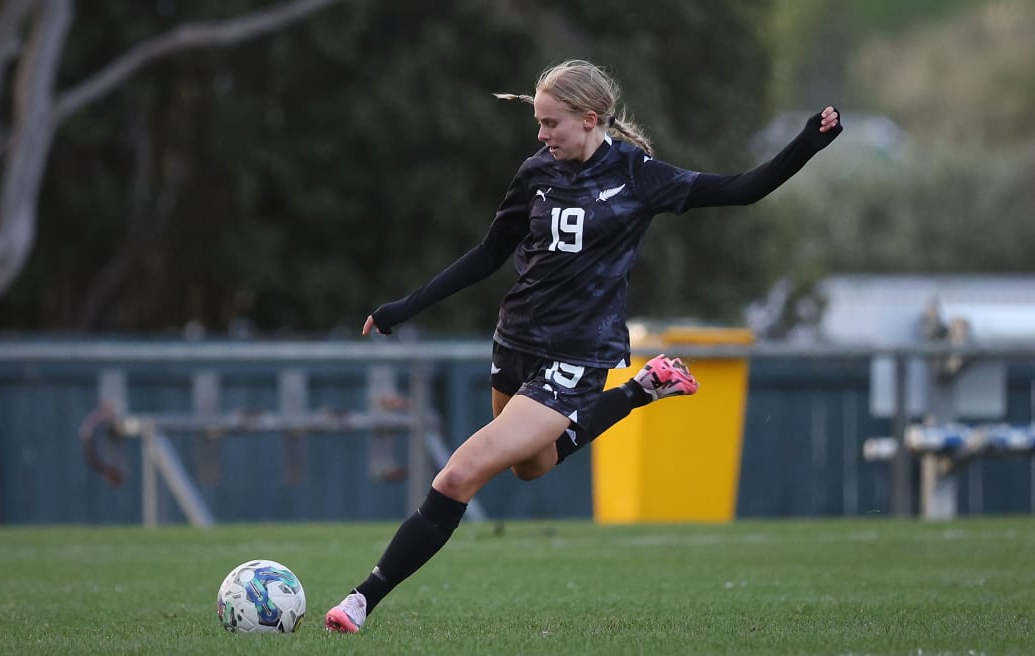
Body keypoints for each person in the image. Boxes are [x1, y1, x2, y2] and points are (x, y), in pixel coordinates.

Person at [325, 59, 842, 634]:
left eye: (551, 123)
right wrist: (407, 306)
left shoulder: (638, 176)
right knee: (532, 465)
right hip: (515, 340)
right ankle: (642, 390)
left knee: (457, 475)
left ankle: (360, 600)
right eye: (539, 122)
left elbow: (743, 189)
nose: (541, 134)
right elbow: (491, 253)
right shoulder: (536, 172)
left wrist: (807, 143)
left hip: (578, 353)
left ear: (590, 118)